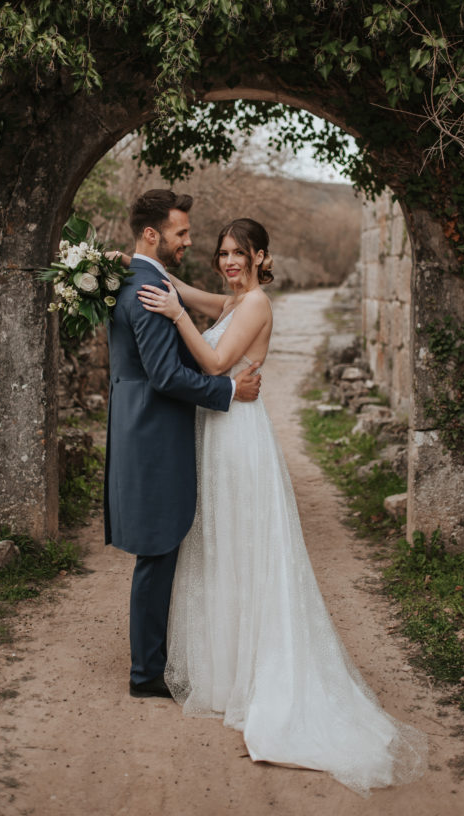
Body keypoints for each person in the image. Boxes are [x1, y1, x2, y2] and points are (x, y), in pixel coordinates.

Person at [137, 217, 428, 796]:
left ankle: (266, 682)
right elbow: (201, 296)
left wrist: (173, 317)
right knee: (221, 549)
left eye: (238, 254)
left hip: (239, 440)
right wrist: (153, 273)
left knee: (245, 549)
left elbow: (214, 367)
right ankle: (229, 674)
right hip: (220, 436)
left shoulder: (256, 306)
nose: (228, 262)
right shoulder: (233, 299)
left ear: (260, 256)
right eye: (222, 252)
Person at [104, 191, 262, 701]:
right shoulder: (146, 286)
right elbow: (167, 374)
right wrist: (230, 390)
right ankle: (146, 672)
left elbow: (196, 300)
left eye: (235, 252)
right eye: (182, 234)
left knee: (172, 544)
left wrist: (138, 268)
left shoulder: (141, 279)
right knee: (159, 546)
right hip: (154, 430)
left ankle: (171, 657)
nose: (191, 242)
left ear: (258, 258)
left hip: (142, 424)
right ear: (152, 234)